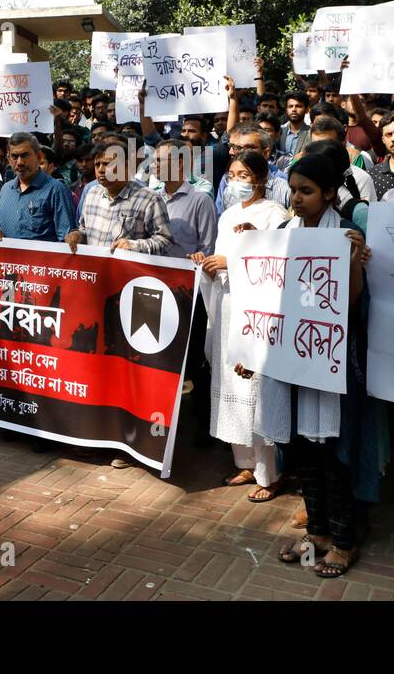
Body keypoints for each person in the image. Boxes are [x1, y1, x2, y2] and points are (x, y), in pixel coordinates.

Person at [262, 155, 378, 578]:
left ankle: (344, 541)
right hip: (290, 360)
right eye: (292, 189)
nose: (296, 198)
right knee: (304, 451)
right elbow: (264, 298)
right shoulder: (280, 235)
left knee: (334, 449)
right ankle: (318, 534)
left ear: (329, 193)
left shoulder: (346, 236)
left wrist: (353, 262)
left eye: (306, 190)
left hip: (333, 362)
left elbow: (350, 305)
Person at [195, 151, 290, 501]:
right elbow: (219, 258)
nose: (236, 181)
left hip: (256, 310)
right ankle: (245, 462)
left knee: (254, 388)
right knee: (230, 382)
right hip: (228, 305)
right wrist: (207, 264)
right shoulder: (228, 215)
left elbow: (275, 266)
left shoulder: (274, 214)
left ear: (262, 178)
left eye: (244, 174)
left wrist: (231, 262)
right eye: (232, 175)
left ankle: (271, 472)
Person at [65, 141, 173, 257]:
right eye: (97, 164)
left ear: (126, 166)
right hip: (94, 270)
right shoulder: (92, 193)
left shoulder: (149, 199)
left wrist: (133, 246)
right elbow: (84, 229)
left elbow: (165, 241)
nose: (101, 170)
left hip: (127, 273)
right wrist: (77, 235)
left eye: (107, 164)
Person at [0, 133, 76, 243]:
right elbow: (2, 226)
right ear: (8, 159)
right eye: (14, 157)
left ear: (38, 157)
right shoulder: (6, 190)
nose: (19, 162)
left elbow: (66, 239)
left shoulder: (56, 190)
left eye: (25, 155)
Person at [151, 139, 216, 259]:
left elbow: (208, 248)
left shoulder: (201, 200)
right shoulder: (153, 199)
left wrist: (198, 257)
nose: (153, 165)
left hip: (186, 273)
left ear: (180, 164)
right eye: (154, 161)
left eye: (159, 160)